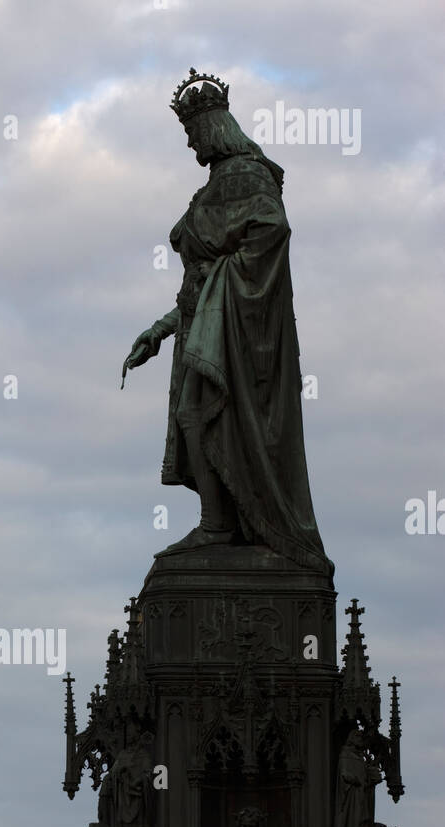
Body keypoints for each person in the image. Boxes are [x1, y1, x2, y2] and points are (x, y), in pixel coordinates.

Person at [123, 70, 331, 576]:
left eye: (194, 132)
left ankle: (220, 525)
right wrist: (161, 328)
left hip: (240, 335)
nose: (191, 142)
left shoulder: (247, 174)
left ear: (213, 127)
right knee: (194, 417)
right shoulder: (217, 182)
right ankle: (219, 523)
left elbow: (271, 229)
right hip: (210, 326)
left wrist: (226, 281)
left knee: (200, 416)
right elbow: (199, 281)